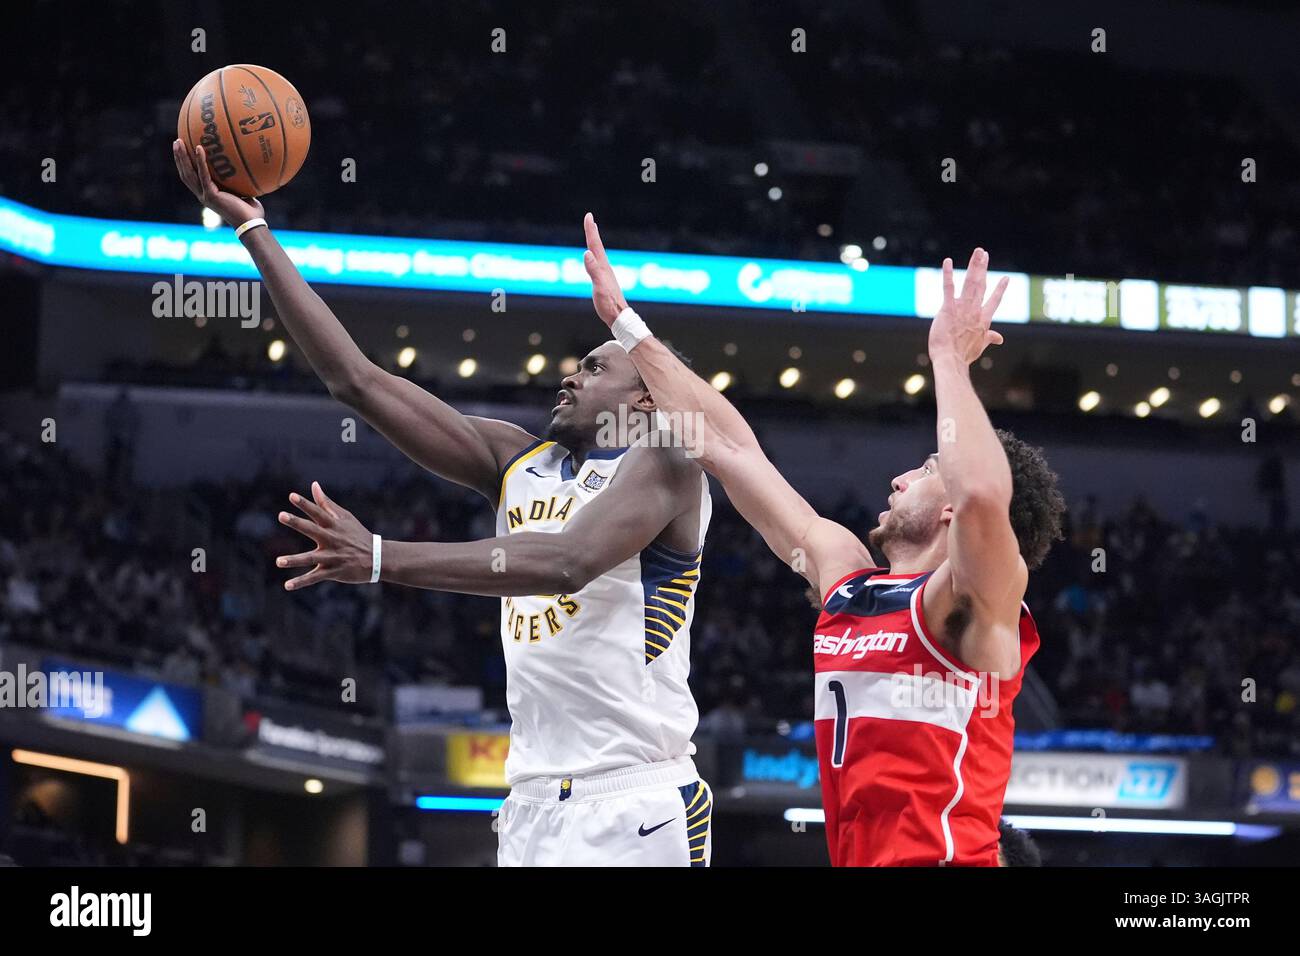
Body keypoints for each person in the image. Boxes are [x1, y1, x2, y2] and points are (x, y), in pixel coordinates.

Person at [172, 142, 715, 867]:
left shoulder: (670, 463)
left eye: (591, 368)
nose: (568, 379)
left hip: (634, 800)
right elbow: (355, 381)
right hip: (528, 804)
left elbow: (567, 561)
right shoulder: (515, 460)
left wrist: (379, 558)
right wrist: (253, 232)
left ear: (645, 395)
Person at [582, 213, 1065, 866]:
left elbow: (984, 495)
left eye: (925, 470)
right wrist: (628, 327)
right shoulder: (849, 579)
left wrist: (949, 358)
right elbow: (726, 447)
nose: (898, 478)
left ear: (953, 509)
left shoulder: (972, 603)